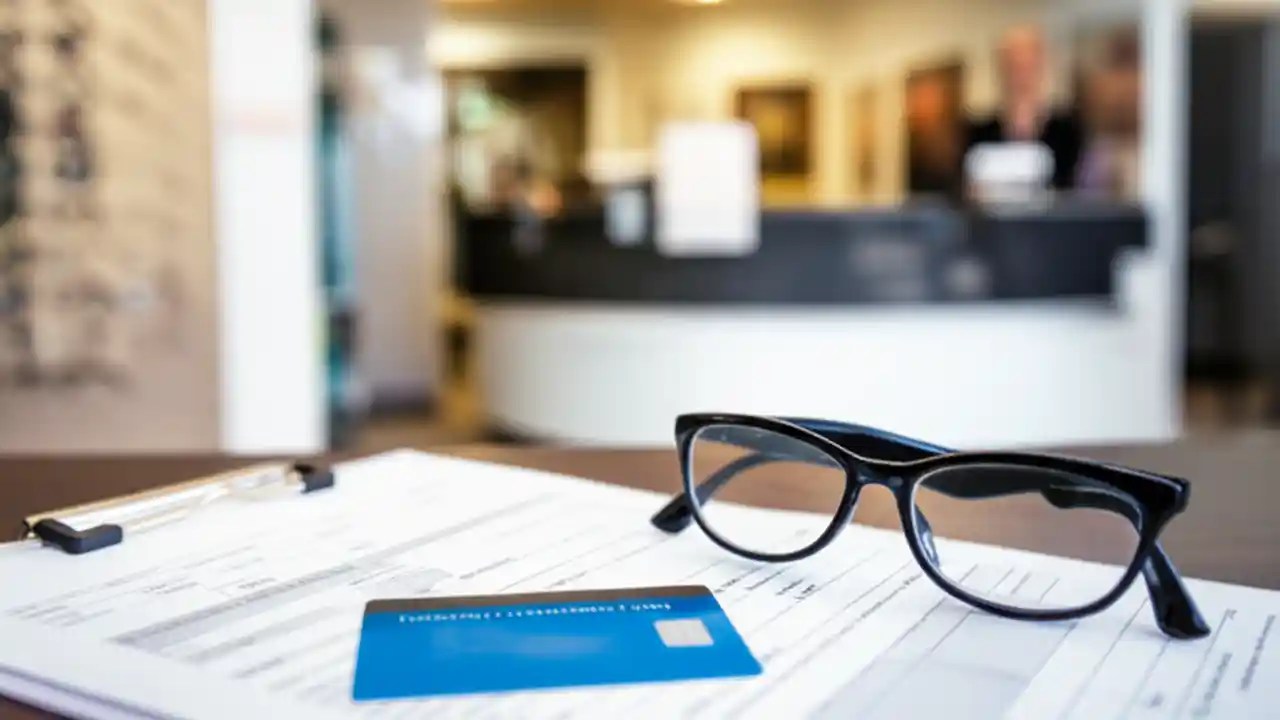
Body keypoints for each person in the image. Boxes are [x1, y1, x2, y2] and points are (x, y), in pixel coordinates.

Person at [966, 25, 1083, 191]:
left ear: (1042, 69)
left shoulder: (1067, 133)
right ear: (1000, 71)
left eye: (1028, 67)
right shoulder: (978, 133)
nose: (1020, 77)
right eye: (1012, 67)